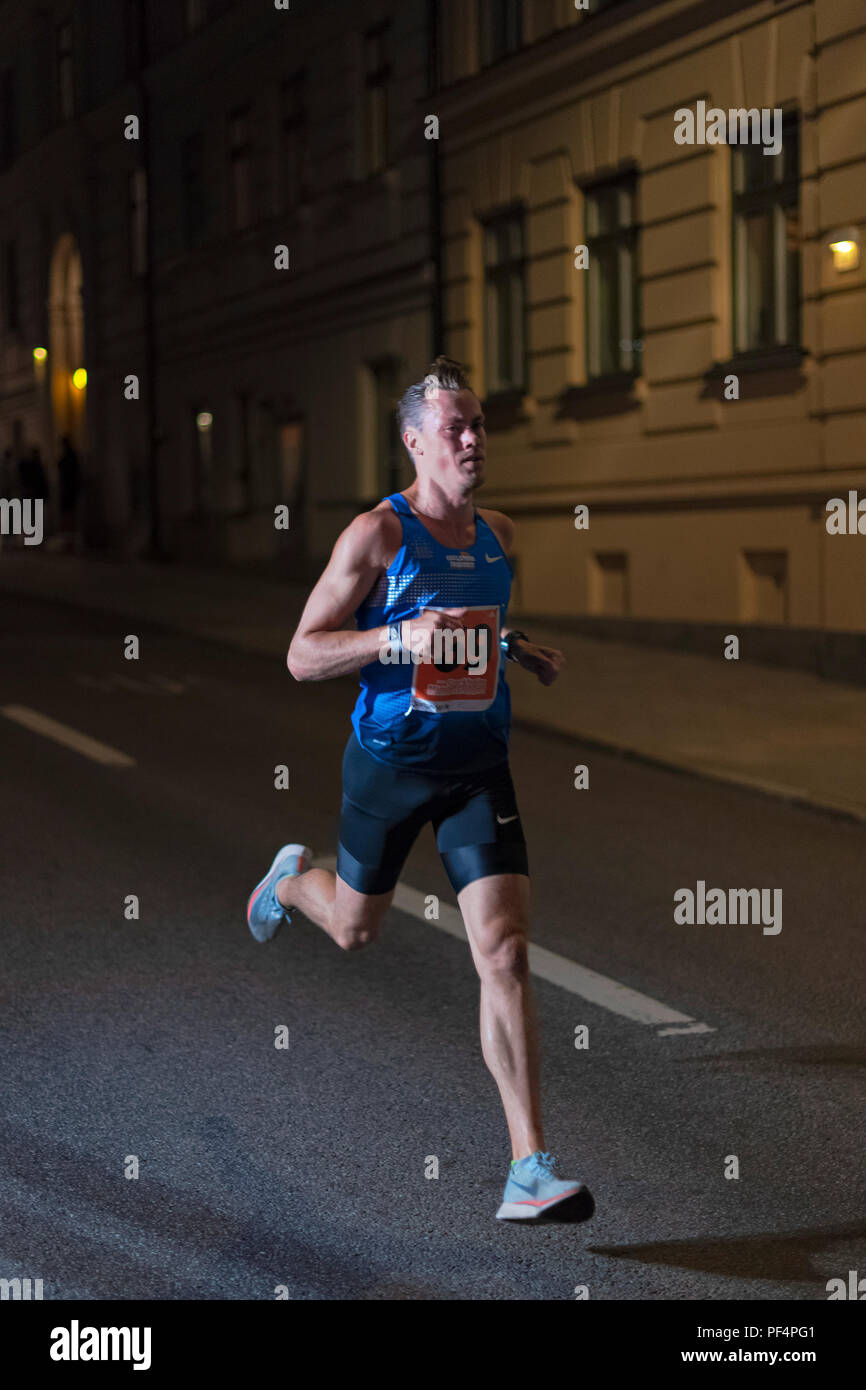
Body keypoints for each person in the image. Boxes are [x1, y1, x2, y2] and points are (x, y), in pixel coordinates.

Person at [246, 356, 594, 1224]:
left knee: (505, 951)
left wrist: (517, 648)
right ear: (414, 443)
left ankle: (529, 1169)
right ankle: (290, 882)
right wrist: (395, 639)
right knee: (356, 931)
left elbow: (475, 622)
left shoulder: (500, 533)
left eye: (479, 425)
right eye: (456, 428)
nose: (474, 439)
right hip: (391, 768)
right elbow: (301, 654)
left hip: (479, 768)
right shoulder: (376, 538)